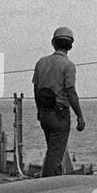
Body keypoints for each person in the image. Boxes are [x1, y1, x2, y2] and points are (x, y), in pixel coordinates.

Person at [31, 26, 86, 177]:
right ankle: (48, 185)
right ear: (70, 45)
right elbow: (71, 92)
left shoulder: (41, 62)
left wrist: (39, 110)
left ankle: (54, 176)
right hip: (60, 114)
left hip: (44, 113)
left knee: (53, 150)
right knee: (55, 155)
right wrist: (80, 115)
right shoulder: (68, 66)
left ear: (53, 43)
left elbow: (36, 89)